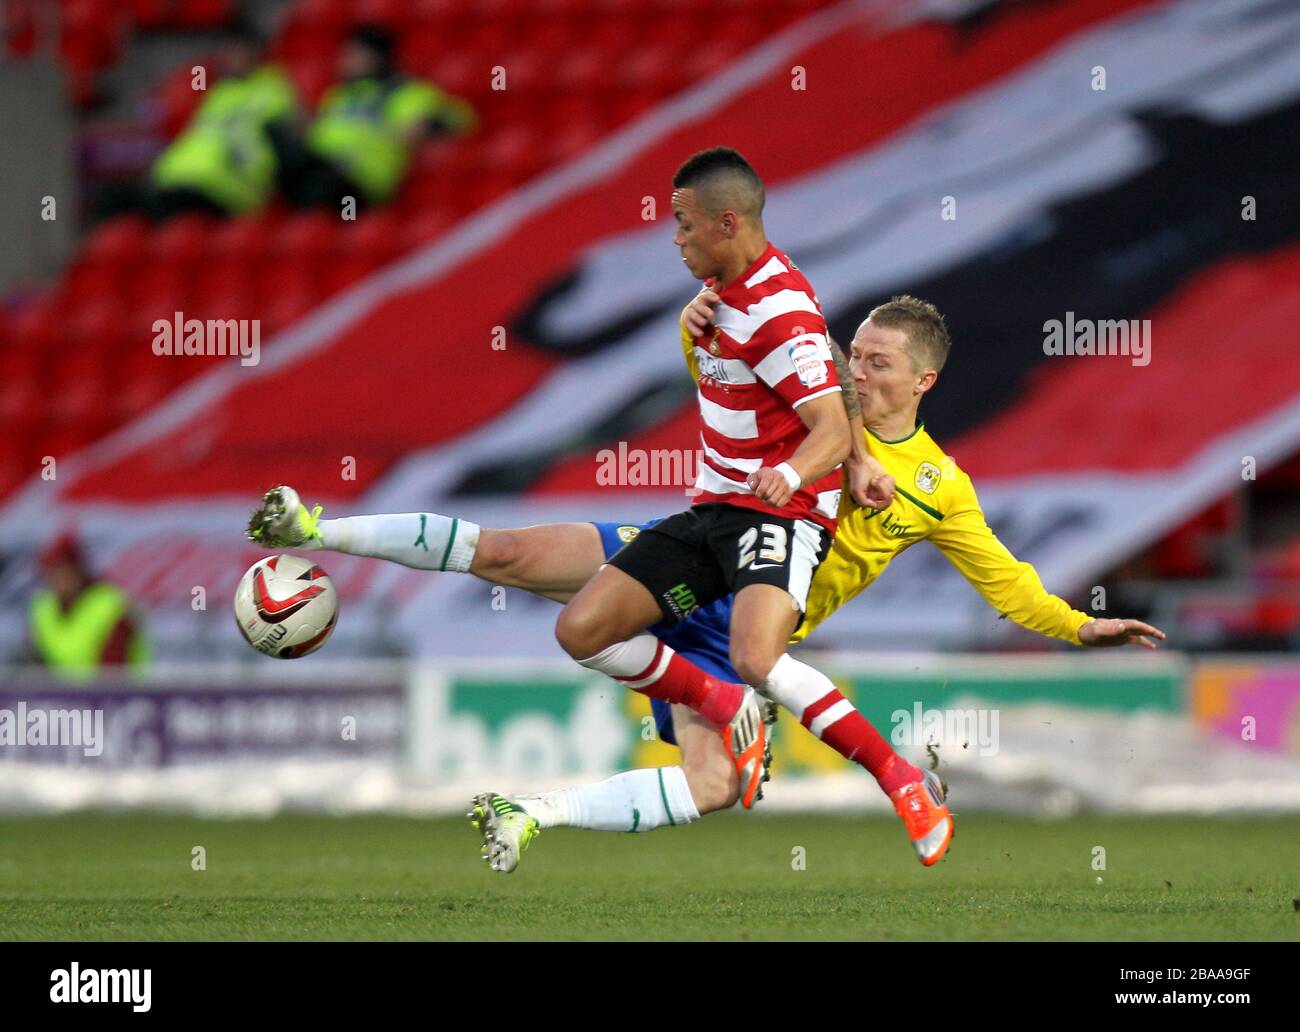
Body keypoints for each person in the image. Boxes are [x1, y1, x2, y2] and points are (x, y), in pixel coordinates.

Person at [247, 296, 1163, 872]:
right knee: (511, 554)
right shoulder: (810, 402)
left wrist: (1083, 629)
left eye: (878, 364)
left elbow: (1007, 584)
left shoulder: (939, 487)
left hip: (736, 618)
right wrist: (697, 341)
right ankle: (317, 525)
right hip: (689, 549)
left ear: (924, 379)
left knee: (712, 788)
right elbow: (724, 398)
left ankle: (535, 814)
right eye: (853, 354)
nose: (856, 371)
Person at [272, 24, 476, 211]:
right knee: (277, 138)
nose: (345, 61)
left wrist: (429, 124)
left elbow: (460, 118)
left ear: (377, 57)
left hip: (362, 181)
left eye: (354, 55)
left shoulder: (403, 92)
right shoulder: (341, 95)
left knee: (305, 173)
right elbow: (320, 134)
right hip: (321, 167)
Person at [147, 23, 298, 219]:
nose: (229, 57)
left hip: (227, 187)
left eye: (237, 50)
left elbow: (285, 144)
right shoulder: (219, 92)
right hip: (176, 178)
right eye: (226, 50)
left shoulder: (274, 89)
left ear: (255, 52)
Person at [27, 532, 150, 679]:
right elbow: (37, 663)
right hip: (63, 699)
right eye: (51, 572)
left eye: (63, 571)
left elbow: (113, 676)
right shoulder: (44, 608)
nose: (58, 580)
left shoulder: (111, 606)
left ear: (78, 569)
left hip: (117, 699)